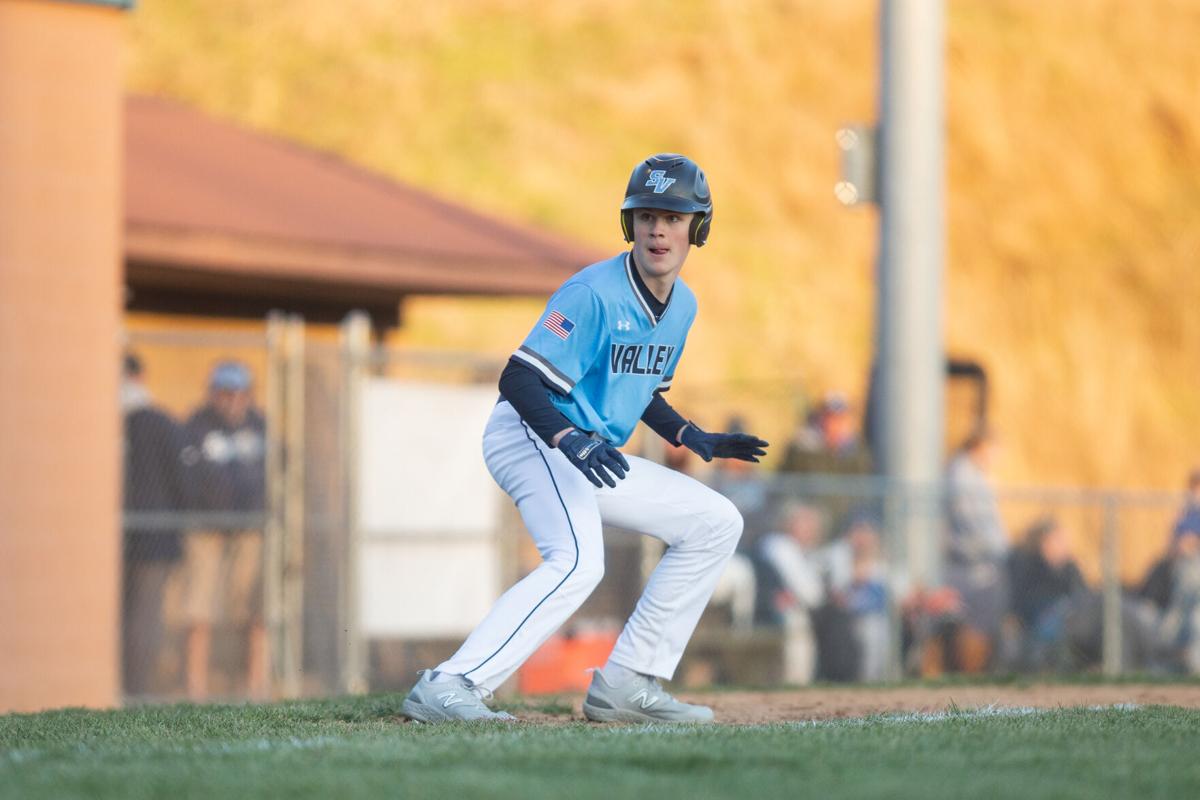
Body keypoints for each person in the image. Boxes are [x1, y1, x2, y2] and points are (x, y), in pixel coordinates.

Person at [401, 154, 768, 724]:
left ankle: (626, 684)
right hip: (531, 434)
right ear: (629, 225)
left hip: (587, 450)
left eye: (673, 216)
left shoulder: (683, 307)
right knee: (576, 561)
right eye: (645, 215)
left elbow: (638, 389)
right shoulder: (592, 292)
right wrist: (569, 438)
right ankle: (452, 683)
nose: (658, 228)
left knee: (716, 522)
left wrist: (693, 436)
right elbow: (519, 378)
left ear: (699, 227)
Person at [180, 360, 269, 700]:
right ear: (213, 394)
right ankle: (195, 687)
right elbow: (186, 475)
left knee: (256, 609)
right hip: (207, 529)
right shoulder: (196, 426)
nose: (232, 400)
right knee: (199, 610)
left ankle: (254, 684)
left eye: (239, 393)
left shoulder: (261, 427)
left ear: (249, 395)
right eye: (225, 393)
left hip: (250, 530)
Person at [121, 353, 190, 697]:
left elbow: (183, 479)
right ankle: (132, 690)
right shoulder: (156, 422)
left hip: (148, 538)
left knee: (139, 617)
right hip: (148, 538)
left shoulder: (152, 423)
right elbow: (183, 481)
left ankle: (136, 691)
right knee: (142, 617)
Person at [943, 427, 1009, 671]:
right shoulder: (961, 474)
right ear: (978, 447)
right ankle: (968, 674)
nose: (995, 458)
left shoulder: (975, 475)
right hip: (963, 565)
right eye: (992, 451)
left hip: (978, 563)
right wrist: (1000, 548)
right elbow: (973, 522)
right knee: (971, 625)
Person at [755, 502, 827, 684]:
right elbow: (811, 594)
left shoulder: (806, 551)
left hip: (795, 615)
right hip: (771, 616)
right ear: (790, 523)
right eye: (805, 523)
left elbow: (815, 596)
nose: (811, 529)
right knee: (791, 674)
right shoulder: (779, 544)